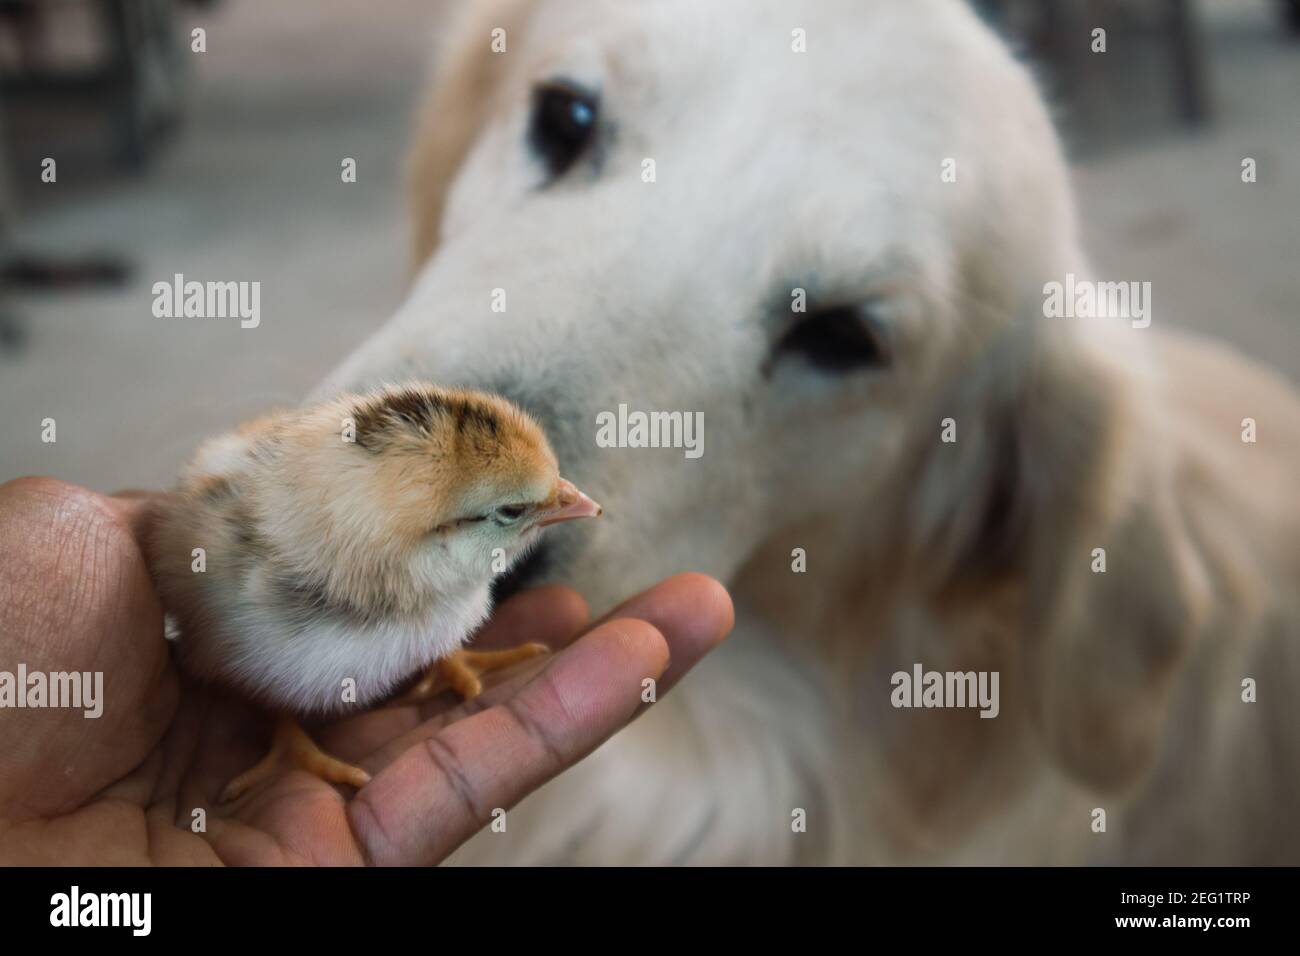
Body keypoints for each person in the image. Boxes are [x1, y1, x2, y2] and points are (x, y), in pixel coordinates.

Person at [0, 477, 733, 865]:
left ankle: (437, 653)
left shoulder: (444, 567)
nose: (576, 503)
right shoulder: (328, 569)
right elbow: (240, 618)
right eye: (518, 508)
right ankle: (285, 728)